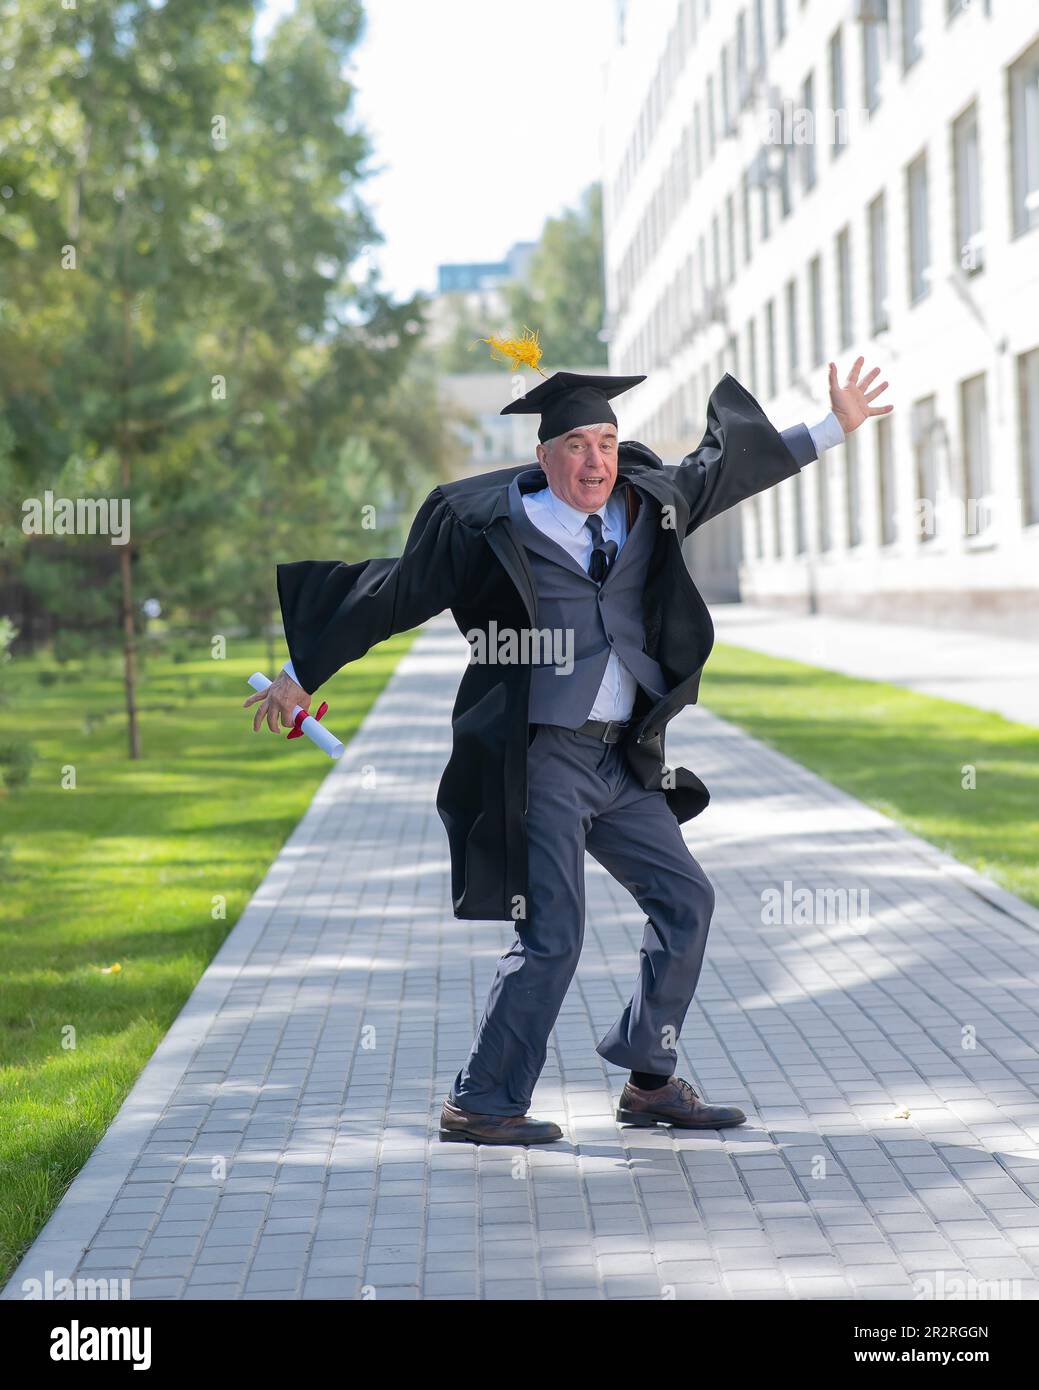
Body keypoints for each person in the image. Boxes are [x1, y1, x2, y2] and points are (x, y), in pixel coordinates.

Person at [245, 356, 891, 1145]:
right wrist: (295, 674)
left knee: (685, 902)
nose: (596, 461)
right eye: (578, 445)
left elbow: (723, 470)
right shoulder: (487, 526)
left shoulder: (646, 504)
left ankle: (649, 1084)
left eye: (608, 443)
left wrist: (832, 427)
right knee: (552, 933)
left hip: (623, 760)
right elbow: (395, 593)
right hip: (542, 755)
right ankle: (481, 1102)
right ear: (544, 455)